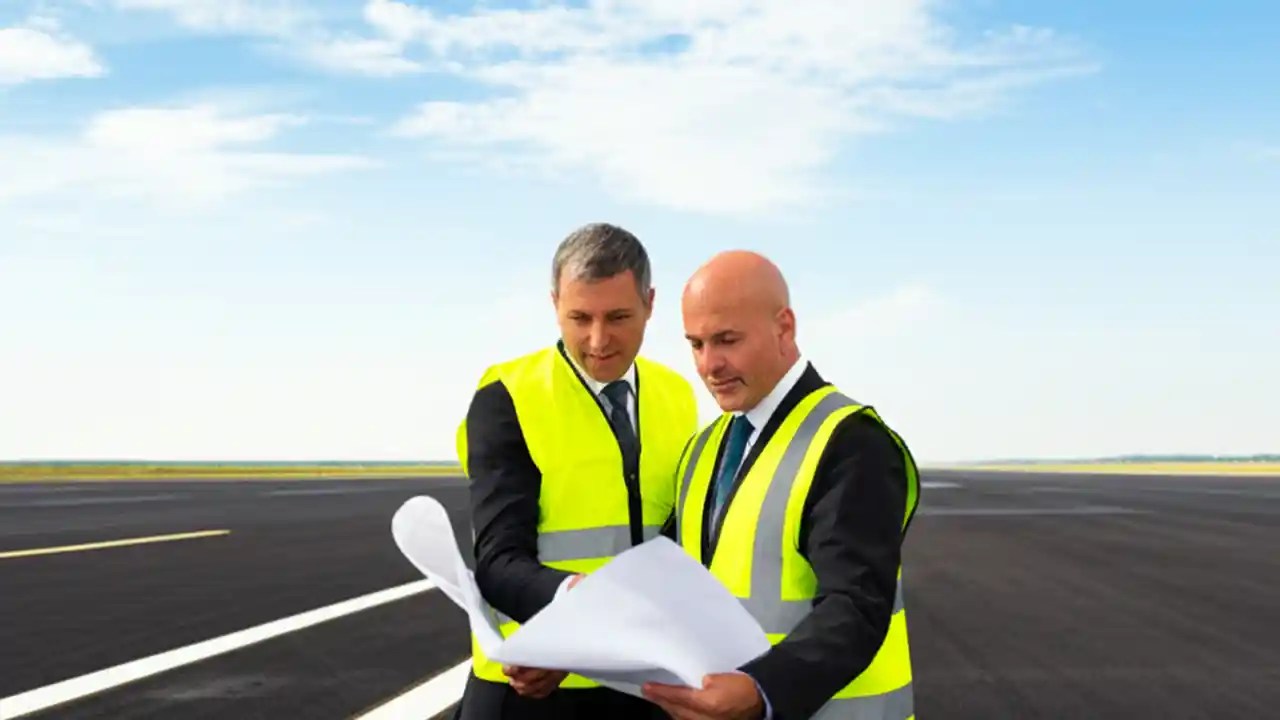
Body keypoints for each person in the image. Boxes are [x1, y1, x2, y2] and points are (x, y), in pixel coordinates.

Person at [642, 250, 921, 720]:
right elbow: (671, 578)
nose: (709, 365)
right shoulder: (703, 449)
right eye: (696, 344)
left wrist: (762, 689)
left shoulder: (851, 441)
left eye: (727, 340)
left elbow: (856, 606)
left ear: (784, 328)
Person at [452, 222, 699, 719]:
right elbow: (499, 562)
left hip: (642, 685)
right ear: (554, 304)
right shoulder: (508, 396)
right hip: (531, 687)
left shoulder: (677, 395)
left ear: (650, 303)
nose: (598, 339)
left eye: (618, 317)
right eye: (579, 317)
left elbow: (676, 541)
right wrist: (574, 615)